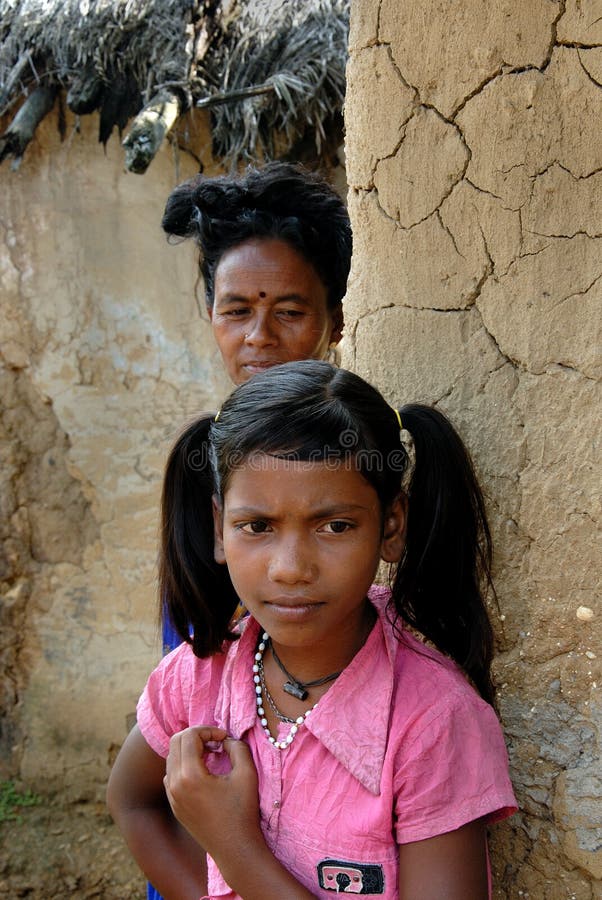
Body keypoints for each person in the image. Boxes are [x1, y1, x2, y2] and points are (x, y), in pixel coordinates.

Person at [107, 360, 517, 900]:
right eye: (256, 527)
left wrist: (234, 847)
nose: (291, 567)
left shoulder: (432, 722)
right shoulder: (200, 673)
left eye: (335, 526)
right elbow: (133, 803)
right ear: (217, 528)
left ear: (391, 527)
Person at [159, 161, 351, 655]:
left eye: (289, 312)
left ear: (336, 320)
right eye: (237, 311)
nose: (259, 336)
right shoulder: (202, 457)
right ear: (211, 316)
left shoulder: (361, 450)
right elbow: (183, 658)